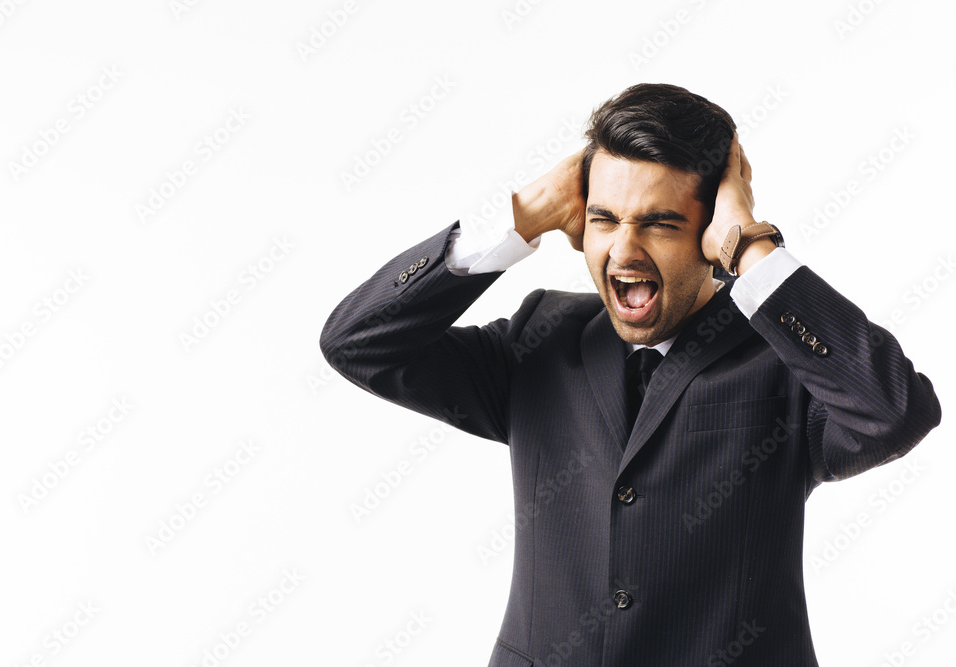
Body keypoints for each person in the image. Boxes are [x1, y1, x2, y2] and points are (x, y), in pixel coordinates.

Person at [319, 83, 941, 666]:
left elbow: (895, 413)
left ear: (710, 231)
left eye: (660, 222)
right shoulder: (540, 339)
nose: (623, 250)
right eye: (605, 219)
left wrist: (749, 246)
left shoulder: (786, 357)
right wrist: (521, 218)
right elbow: (358, 343)